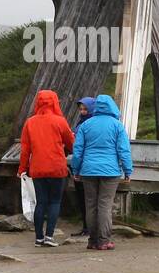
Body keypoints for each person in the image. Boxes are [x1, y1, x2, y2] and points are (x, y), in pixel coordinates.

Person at [69, 94, 133, 251]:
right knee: (104, 205)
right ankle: (104, 241)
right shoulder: (117, 126)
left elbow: (77, 151)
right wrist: (127, 170)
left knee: (91, 204)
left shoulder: (85, 125)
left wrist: (76, 169)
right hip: (110, 171)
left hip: (88, 170)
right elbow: (123, 150)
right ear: (112, 107)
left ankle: (92, 240)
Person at [17, 89, 74, 247]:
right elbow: (71, 143)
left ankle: (38, 238)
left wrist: (22, 168)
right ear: (54, 102)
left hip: (37, 168)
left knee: (40, 202)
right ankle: (49, 236)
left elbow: (25, 149)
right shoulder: (59, 121)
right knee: (55, 202)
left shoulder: (30, 122)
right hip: (56, 167)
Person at [72, 97, 96, 237]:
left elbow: (78, 148)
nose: (82, 111)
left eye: (85, 109)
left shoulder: (85, 125)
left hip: (85, 166)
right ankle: (88, 227)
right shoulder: (82, 123)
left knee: (87, 199)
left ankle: (89, 228)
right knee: (85, 199)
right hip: (87, 166)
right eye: (81, 109)